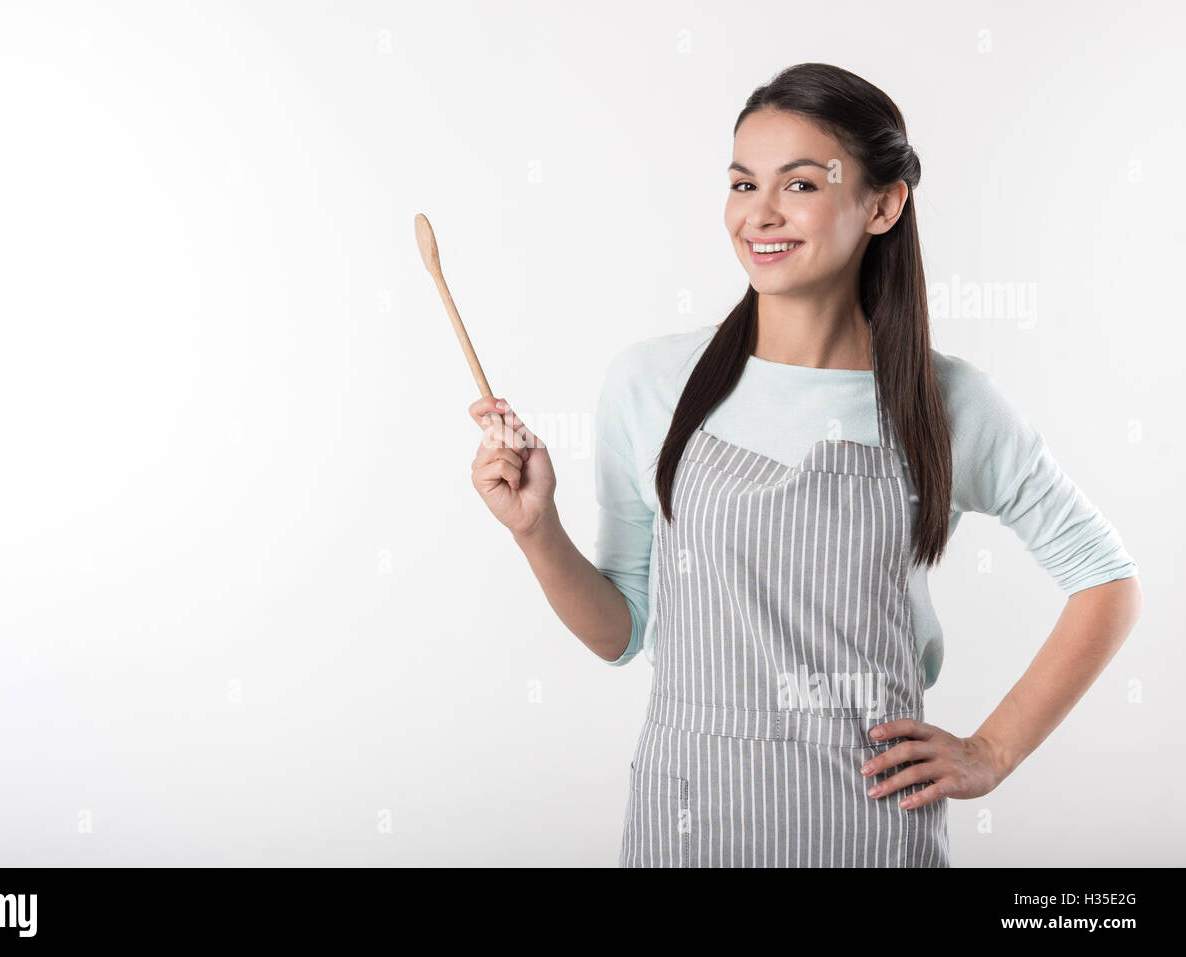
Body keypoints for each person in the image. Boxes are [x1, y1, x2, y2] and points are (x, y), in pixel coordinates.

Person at [466, 62, 1143, 867]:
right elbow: (622, 632)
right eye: (743, 183)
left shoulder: (947, 401)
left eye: (799, 185)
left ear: (884, 204)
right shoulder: (650, 382)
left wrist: (991, 751)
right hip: (687, 824)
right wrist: (537, 530)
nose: (760, 215)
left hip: (869, 827)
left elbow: (1107, 579)